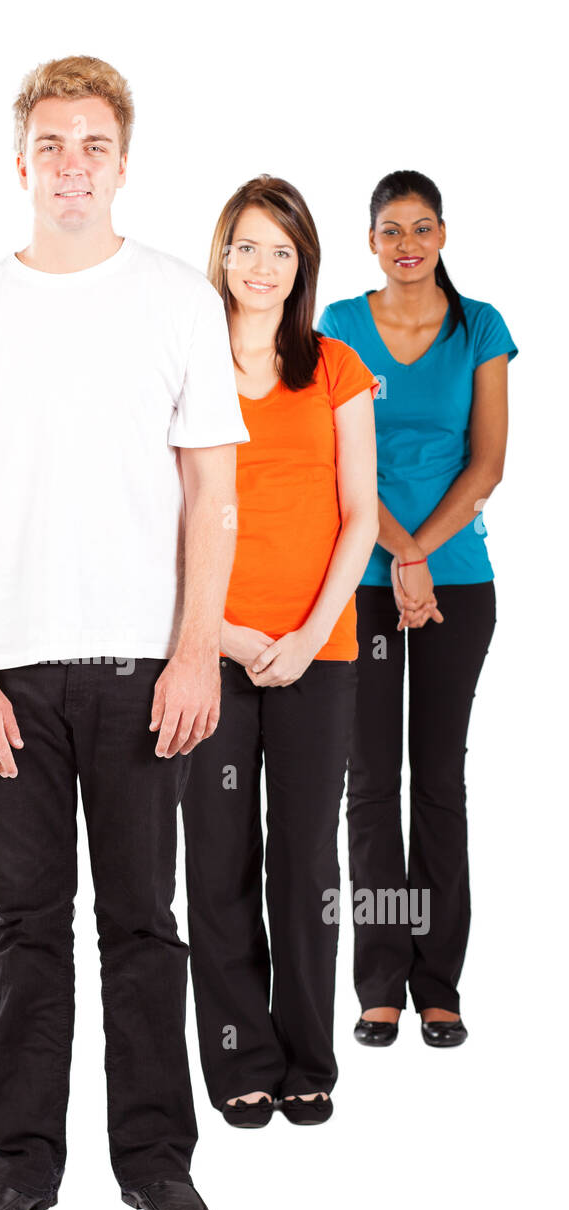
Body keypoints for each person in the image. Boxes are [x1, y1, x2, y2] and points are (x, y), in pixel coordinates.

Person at [0, 55, 246, 1210]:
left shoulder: (177, 301)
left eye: (94, 144)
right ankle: (22, 1163)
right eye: (52, 144)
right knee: (27, 923)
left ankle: (157, 1161)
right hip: (15, 675)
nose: (73, 165)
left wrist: (197, 657)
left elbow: (213, 501)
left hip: (146, 668)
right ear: (21, 162)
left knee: (145, 920)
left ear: (124, 162)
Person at [182, 177, 378, 1129]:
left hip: (318, 649)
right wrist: (218, 634)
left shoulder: (334, 366)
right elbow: (155, 519)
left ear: (302, 268)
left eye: (282, 252)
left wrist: (304, 637)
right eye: (247, 247)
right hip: (204, 651)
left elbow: (359, 514)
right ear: (220, 254)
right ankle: (237, 1060)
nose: (262, 268)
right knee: (217, 863)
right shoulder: (181, 363)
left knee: (306, 864)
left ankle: (307, 1057)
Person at [318, 170, 517, 1048]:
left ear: (442, 236)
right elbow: (337, 466)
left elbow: (486, 464)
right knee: (370, 782)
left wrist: (422, 554)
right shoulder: (339, 326)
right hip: (358, 582)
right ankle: (378, 981)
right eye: (391, 229)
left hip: (456, 582)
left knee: (437, 781)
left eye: (422, 227)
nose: (407, 243)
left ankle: (438, 982)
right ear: (370, 242)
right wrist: (398, 555)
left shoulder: (482, 328)